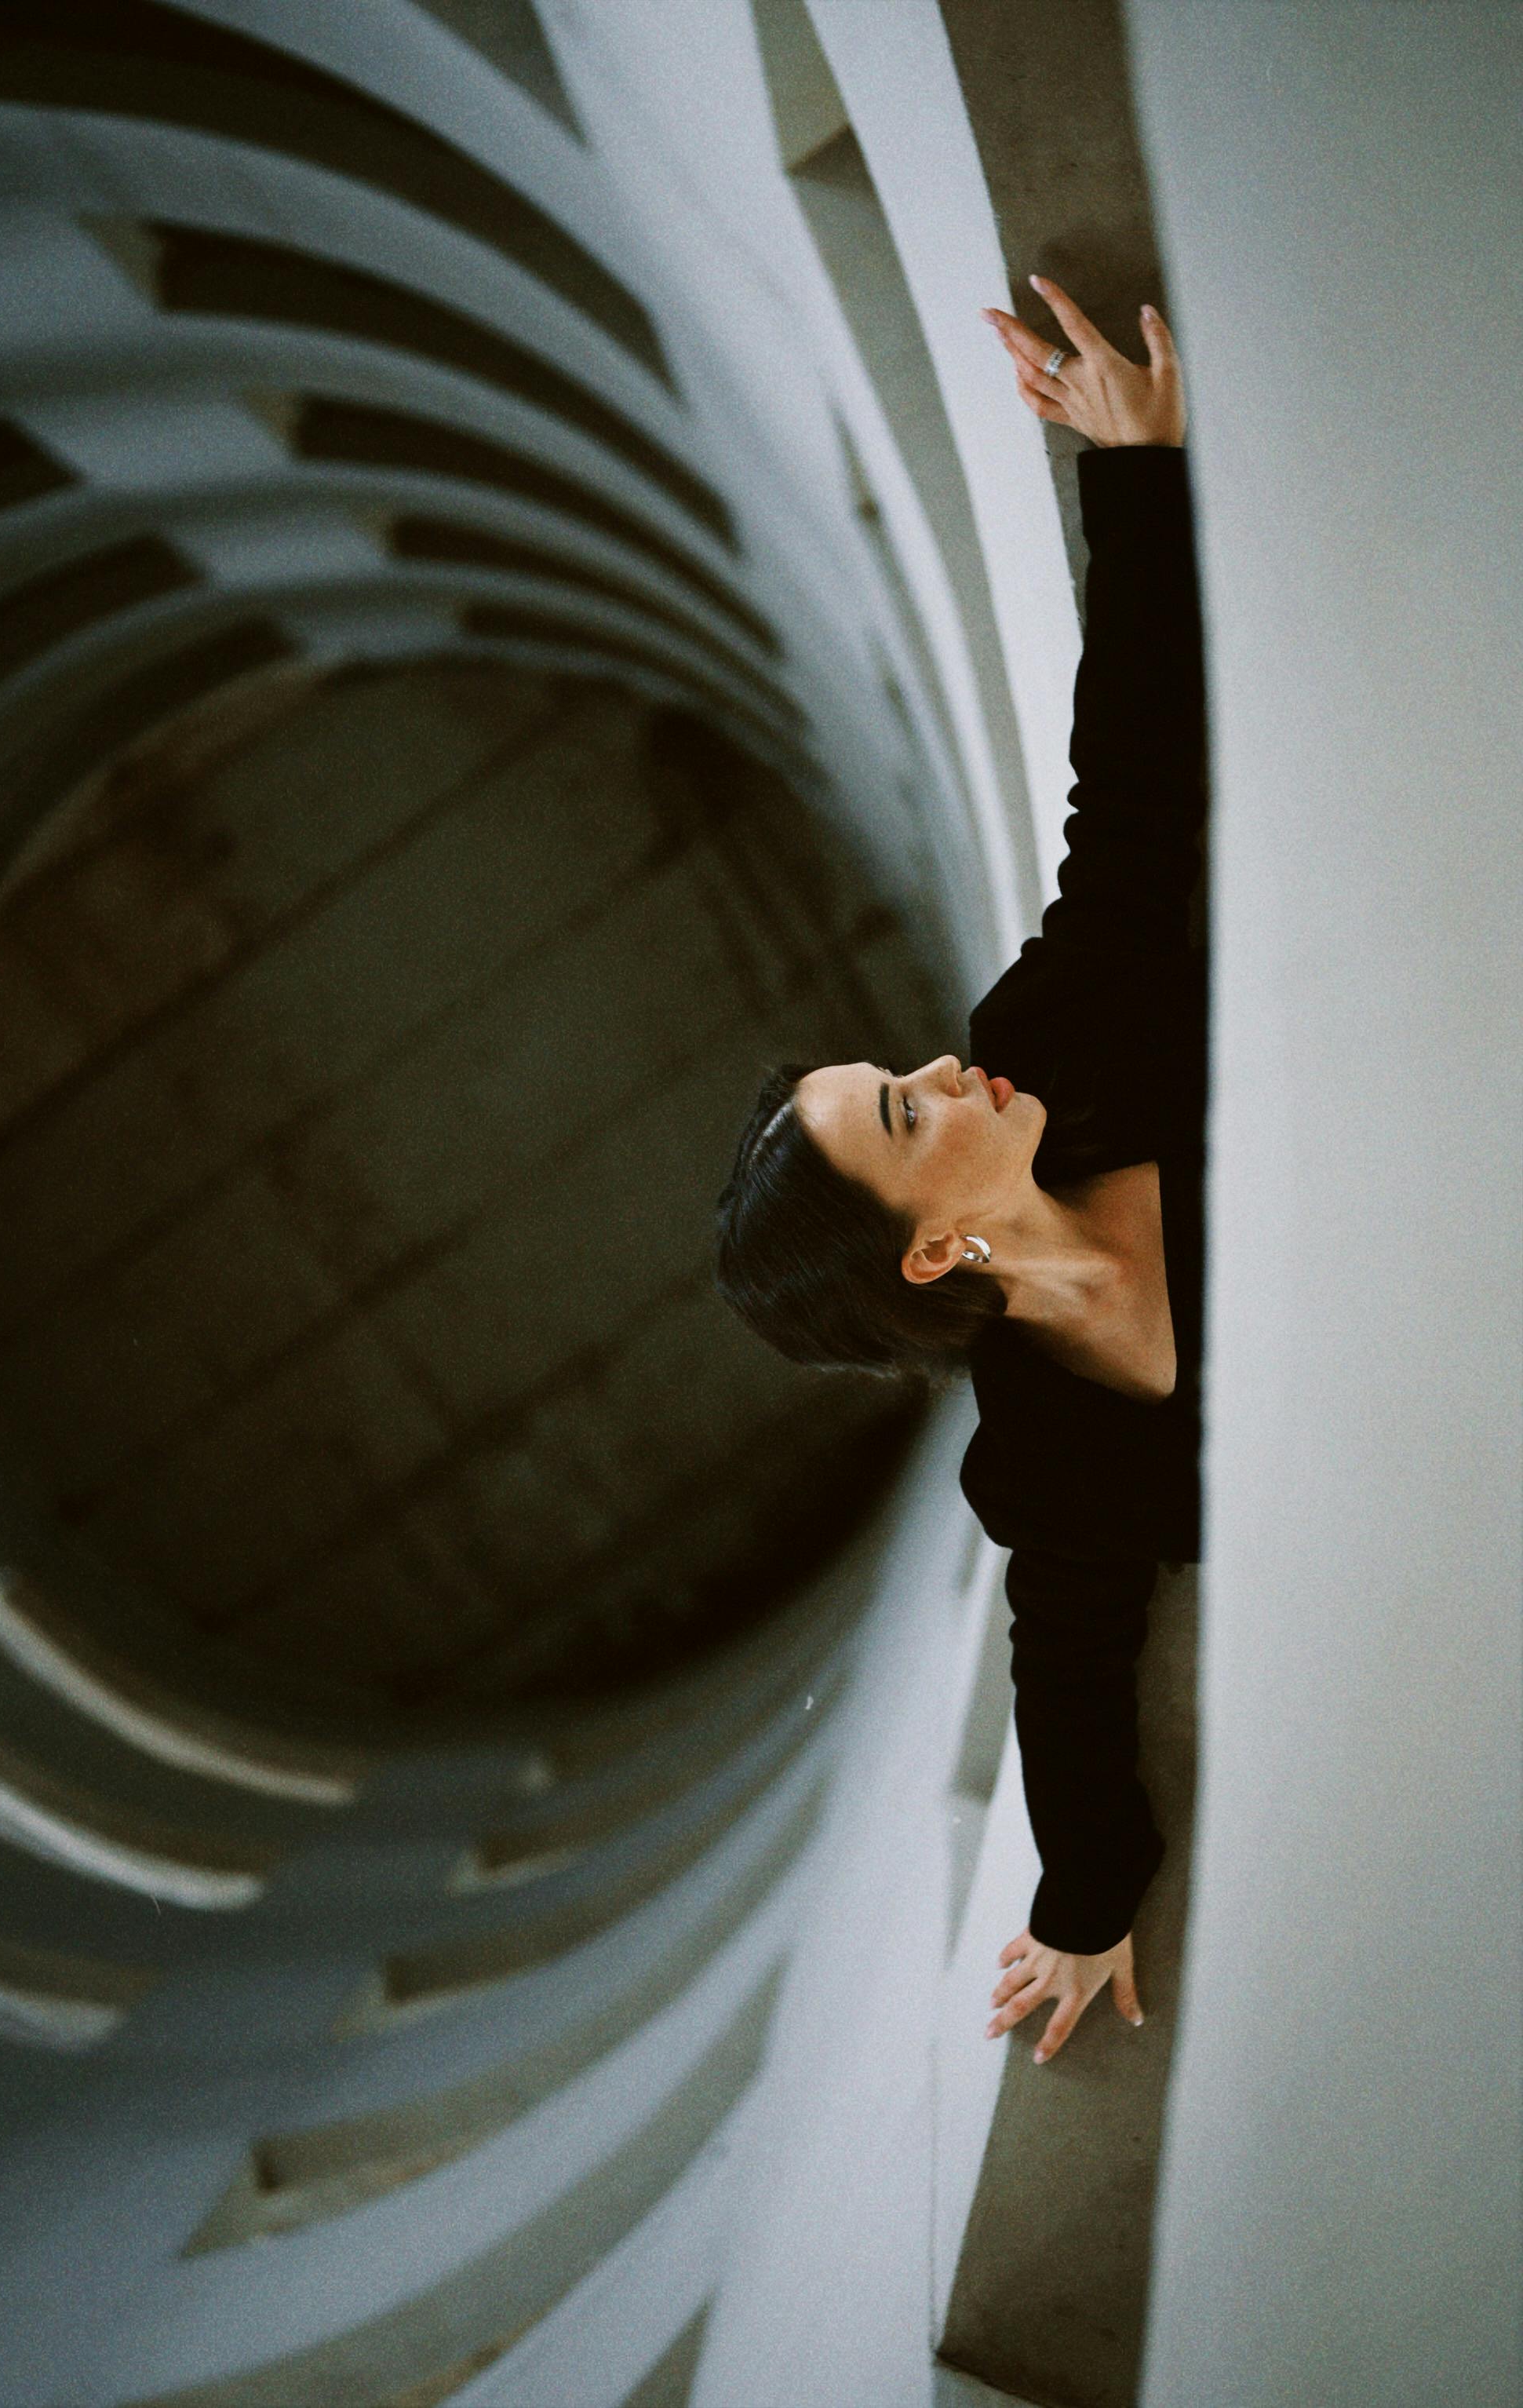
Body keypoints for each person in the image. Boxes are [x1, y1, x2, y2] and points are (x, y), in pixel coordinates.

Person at [714, 277, 1205, 2066]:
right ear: (930, 1257)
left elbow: (1127, 807)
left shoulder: (1051, 1029)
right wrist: (1080, 1914)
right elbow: (1064, 1691)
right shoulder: (1049, 1459)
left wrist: (1131, 473)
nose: (941, 1065)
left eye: (891, 1072)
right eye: (904, 1114)